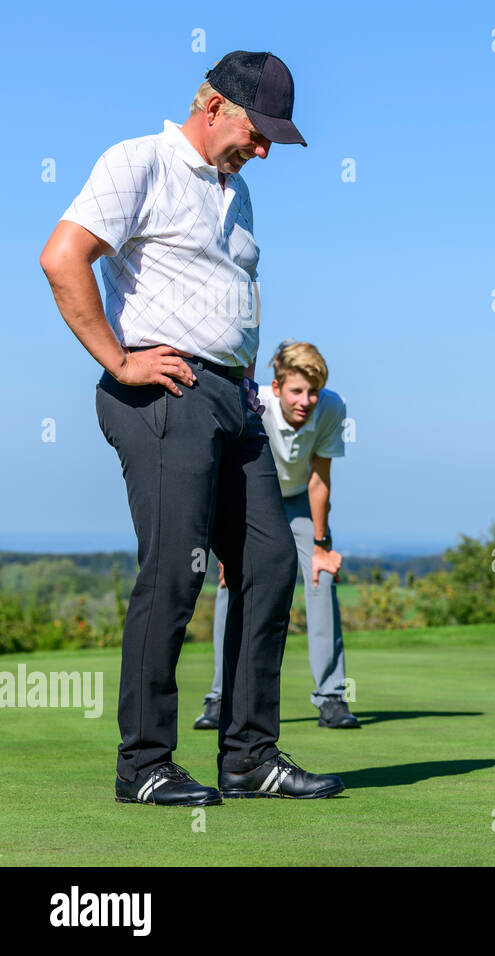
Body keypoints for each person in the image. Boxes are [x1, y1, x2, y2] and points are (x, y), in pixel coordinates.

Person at [40, 51, 344, 805]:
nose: (265, 149)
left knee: (272, 564)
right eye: (257, 130)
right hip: (164, 391)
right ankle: (143, 764)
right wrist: (119, 359)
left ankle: (248, 758)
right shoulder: (139, 161)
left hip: (231, 399)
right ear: (213, 106)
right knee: (177, 569)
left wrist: (244, 379)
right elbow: (62, 257)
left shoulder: (235, 193)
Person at [193, 340, 358, 731]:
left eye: (313, 391)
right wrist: (224, 544)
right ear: (278, 386)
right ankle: (219, 697)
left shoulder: (332, 408)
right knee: (230, 583)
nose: (307, 400)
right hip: (254, 497)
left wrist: (321, 546)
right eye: (297, 391)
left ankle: (332, 697)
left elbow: (319, 480)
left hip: (300, 499)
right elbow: (227, 472)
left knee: (322, 576)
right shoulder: (254, 403)